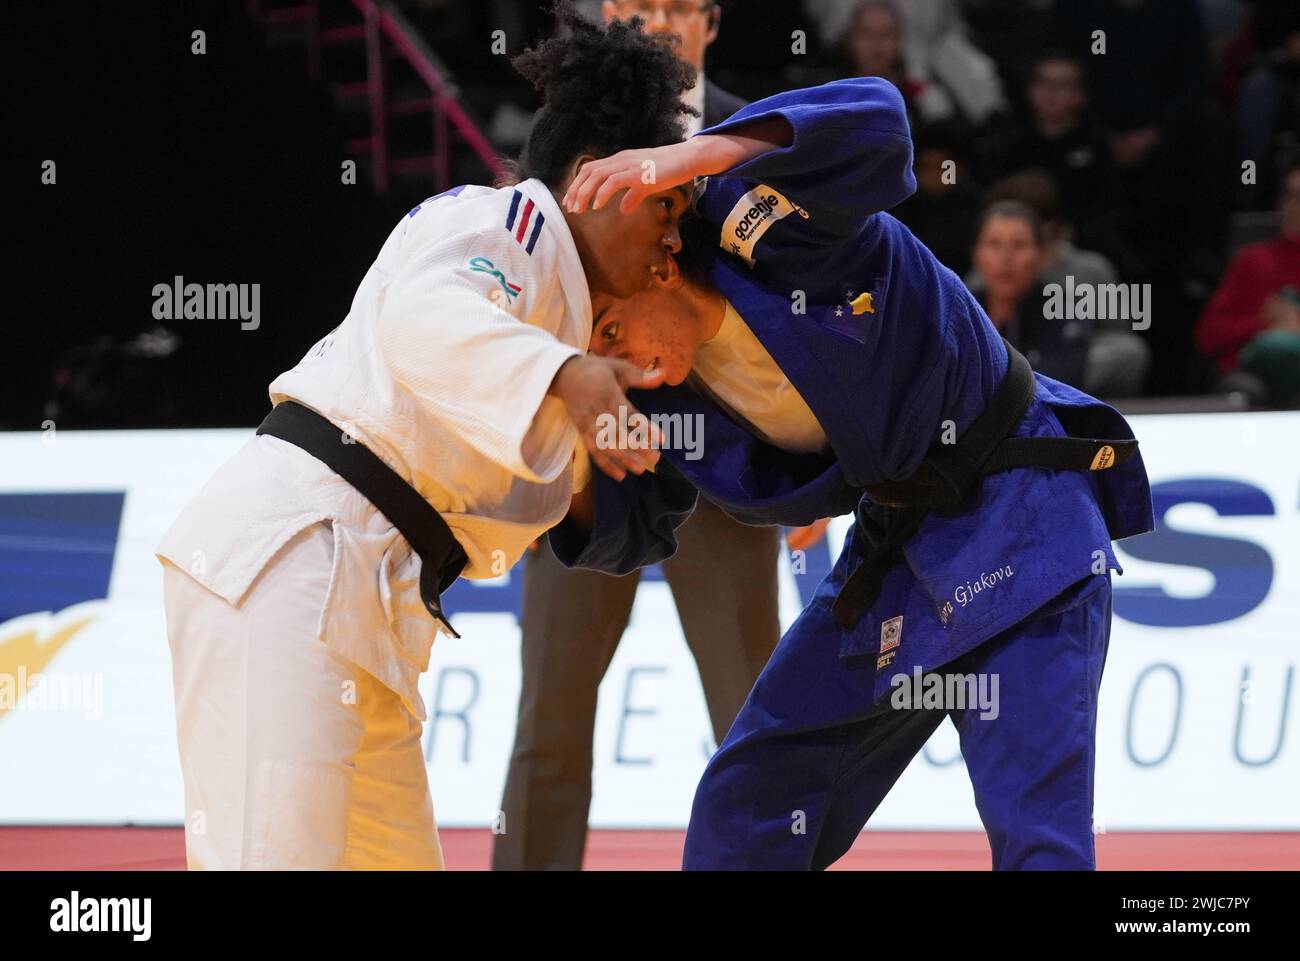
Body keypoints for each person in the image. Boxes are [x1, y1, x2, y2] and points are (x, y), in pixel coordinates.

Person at [554, 74, 1153, 869]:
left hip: (1022, 516)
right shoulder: (660, 394)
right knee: (747, 804)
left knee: (1036, 835)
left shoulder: (755, 227)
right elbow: (631, 526)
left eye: (610, 330)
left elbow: (876, 123)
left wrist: (690, 155)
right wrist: (572, 454)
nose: (613, 361)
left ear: (658, 269)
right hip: (898, 552)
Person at [155, 6, 701, 871]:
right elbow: (425, 321)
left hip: (373, 604)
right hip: (293, 562)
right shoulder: (503, 227)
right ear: (595, 181)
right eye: (666, 207)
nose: (673, 240)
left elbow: (619, 523)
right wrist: (564, 376)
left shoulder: (558, 317)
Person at [493, 0, 809, 872]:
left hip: (735, 472)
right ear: (607, 15)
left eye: (675, 3)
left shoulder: (760, 135)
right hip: (589, 455)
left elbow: (802, 312)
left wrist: (819, 466)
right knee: (549, 715)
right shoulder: (566, 139)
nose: (656, 19)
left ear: (711, 19)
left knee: (750, 716)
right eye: (636, 3)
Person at [1196, 160, 1300, 404]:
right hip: (1255, 373)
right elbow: (1207, 335)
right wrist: (1266, 323)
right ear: (1282, 202)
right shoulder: (1252, 260)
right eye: (1292, 195)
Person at [970, 200, 1092, 390]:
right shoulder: (960, 310)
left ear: (1041, 255)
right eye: (994, 244)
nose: (1005, 258)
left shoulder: (1063, 309)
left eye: (1018, 245)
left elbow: (1059, 386)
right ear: (977, 255)